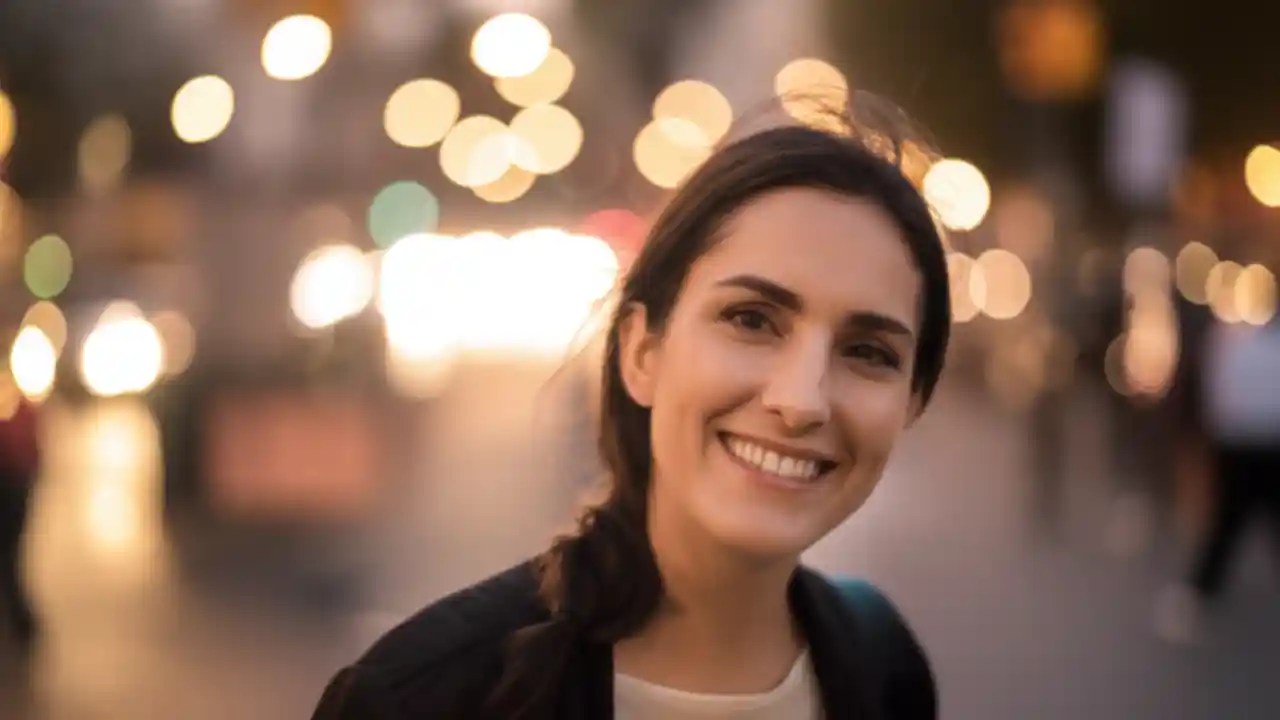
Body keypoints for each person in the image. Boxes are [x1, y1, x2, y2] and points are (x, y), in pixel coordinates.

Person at [312, 116, 951, 719]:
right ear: (641, 351)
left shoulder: (881, 665)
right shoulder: (423, 697)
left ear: (912, 403)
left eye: (868, 352)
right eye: (751, 320)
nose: (802, 399)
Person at [1156, 313, 1280, 644]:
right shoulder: (1239, 345)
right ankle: (1202, 585)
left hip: (1238, 445)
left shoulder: (1234, 345)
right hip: (1258, 443)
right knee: (1228, 521)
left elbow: (1219, 394)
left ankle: (1201, 586)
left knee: (1226, 521)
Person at [0, 388, 40, 648]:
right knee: (10, 557)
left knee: (9, 556)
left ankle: (21, 621)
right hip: (16, 481)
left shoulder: (14, 399)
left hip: (11, 483)